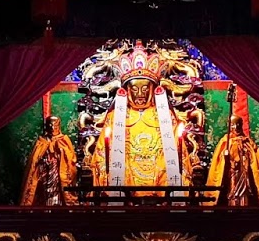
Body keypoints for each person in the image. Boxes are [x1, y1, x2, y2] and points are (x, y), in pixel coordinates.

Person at [84, 43, 198, 194]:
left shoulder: (164, 116)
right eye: (134, 89)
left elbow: (179, 151)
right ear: (127, 90)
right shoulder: (115, 117)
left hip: (159, 172)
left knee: (170, 167)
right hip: (127, 172)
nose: (140, 94)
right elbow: (101, 153)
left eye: (145, 89)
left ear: (153, 90)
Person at [206, 114, 259, 207]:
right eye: (233, 124)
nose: (236, 127)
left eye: (238, 124)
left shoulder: (247, 142)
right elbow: (219, 165)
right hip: (232, 173)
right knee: (232, 192)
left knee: (244, 194)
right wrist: (225, 156)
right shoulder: (225, 142)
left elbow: (256, 162)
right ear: (229, 126)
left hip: (244, 174)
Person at [21, 115, 78, 206]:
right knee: (45, 192)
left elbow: (71, 159)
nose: (52, 128)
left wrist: (61, 153)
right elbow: (35, 160)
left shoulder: (63, 140)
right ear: (46, 126)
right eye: (50, 125)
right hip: (45, 172)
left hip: (58, 172)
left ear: (59, 126)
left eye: (55, 125)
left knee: (58, 192)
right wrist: (42, 160)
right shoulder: (41, 142)